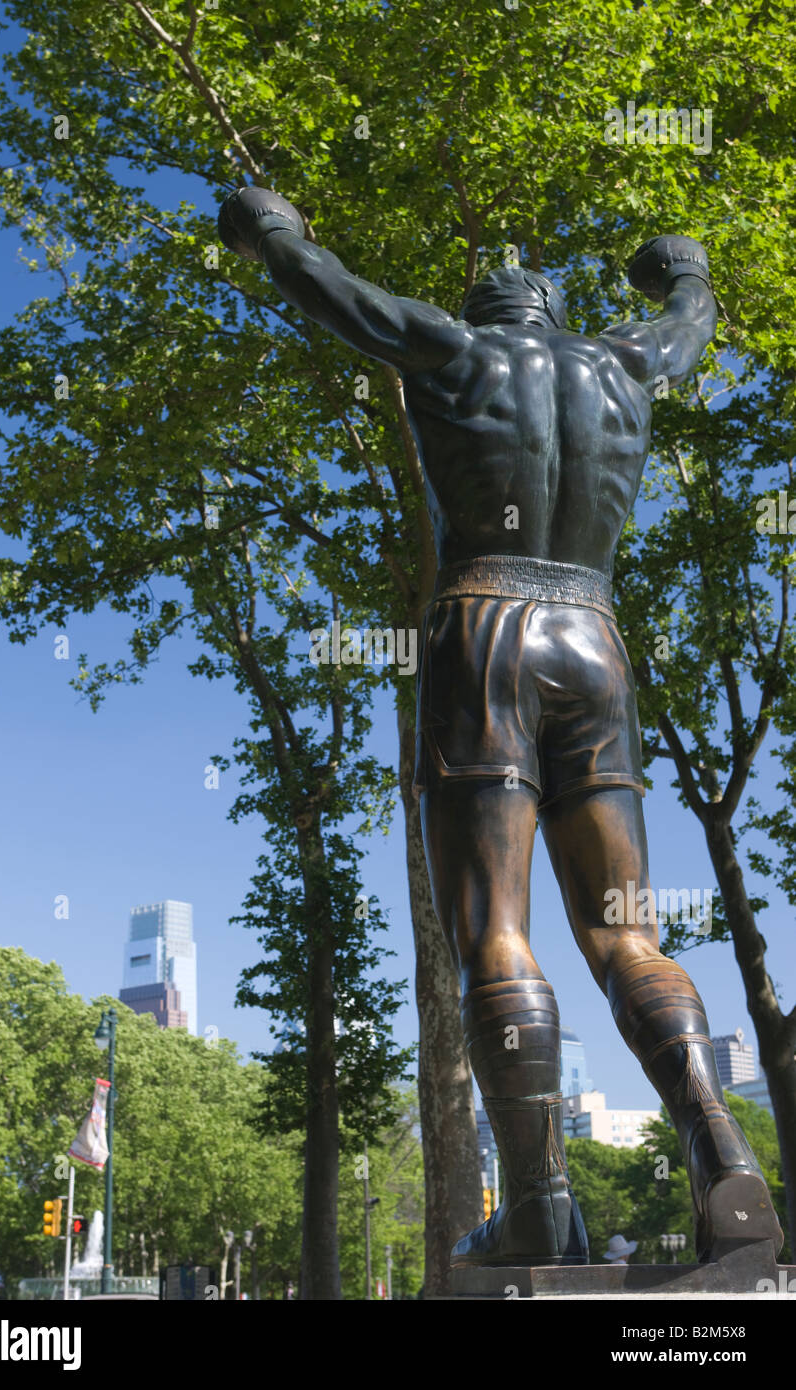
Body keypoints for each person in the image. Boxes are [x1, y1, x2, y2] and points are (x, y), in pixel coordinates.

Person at [218, 186, 783, 1269]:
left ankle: (537, 1204)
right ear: (557, 312)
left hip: (485, 628)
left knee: (495, 933)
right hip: (595, 639)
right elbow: (687, 323)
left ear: (494, 308)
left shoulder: (453, 349)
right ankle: (725, 1162)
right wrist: (684, 268)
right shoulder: (618, 364)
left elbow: (328, 292)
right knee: (627, 935)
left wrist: (268, 227)